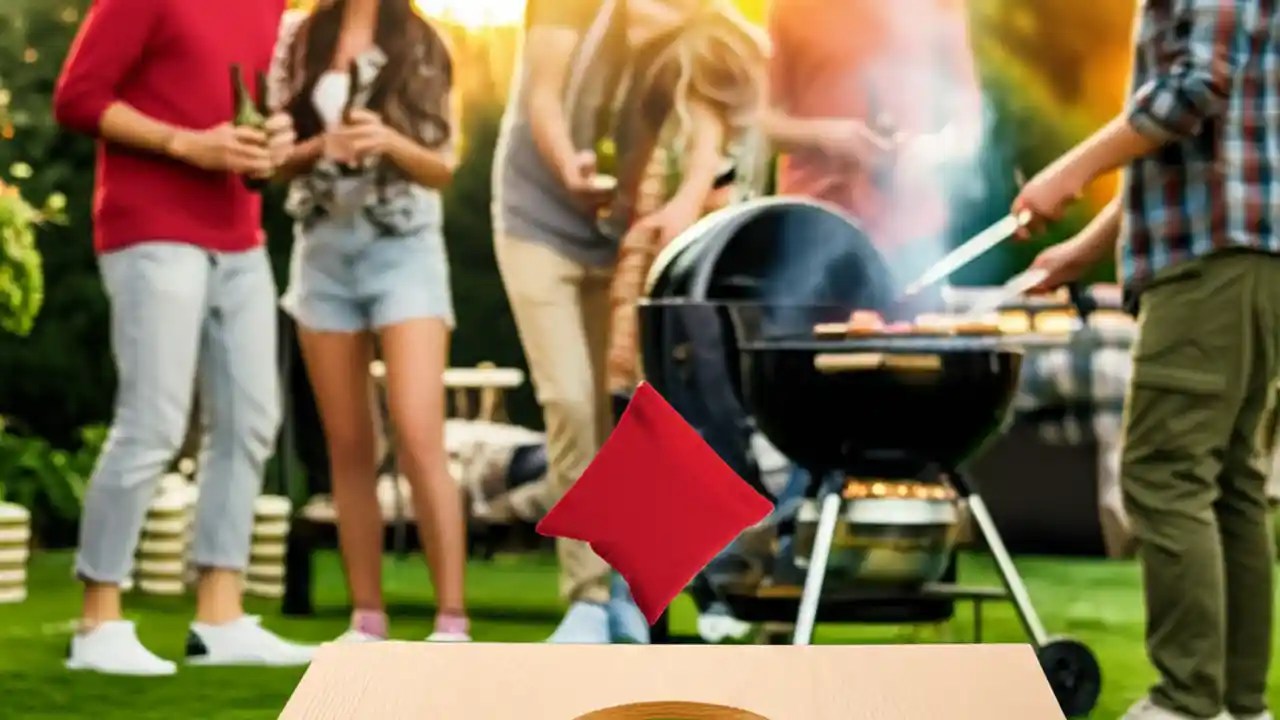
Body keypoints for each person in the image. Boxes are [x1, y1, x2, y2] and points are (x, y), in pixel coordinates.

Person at [1015, 2, 1279, 718]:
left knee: (1165, 471)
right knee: (1227, 481)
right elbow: (1197, 148)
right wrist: (1084, 250)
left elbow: (1194, 91)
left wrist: (1069, 169)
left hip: (1211, 266)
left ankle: (1187, 702)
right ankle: (1236, 704)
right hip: (1238, 257)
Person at [53, 0, 313, 675]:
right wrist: (184, 143)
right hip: (151, 230)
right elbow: (77, 98)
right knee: (153, 423)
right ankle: (98, 623)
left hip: (239, 234)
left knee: (253, 421)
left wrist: (270, 147)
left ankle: (220, 618)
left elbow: (242, 117)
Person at [493, 0, 761, 644]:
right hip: (539, 221)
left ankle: (631, 595)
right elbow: (545, 100)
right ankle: (588, 599)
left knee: (634, 418)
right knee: (569, 401)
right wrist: (571, 170)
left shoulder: (696, 33)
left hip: (619, 241)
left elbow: (704, 135)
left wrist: (687, 203)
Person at [269, 0, 469, 643]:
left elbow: (444, 165)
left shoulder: (426, 42)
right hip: (324, 254)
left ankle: (451, 620)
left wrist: (388, 141)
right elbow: (271, 159)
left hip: (403, 251)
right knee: (350, 444)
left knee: (417, 431)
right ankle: (367, 619)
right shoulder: (297, 39)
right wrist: (319, 146)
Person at [762, 0, 983, 289]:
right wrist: (827, 136)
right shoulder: (790, 7)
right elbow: (759, 122)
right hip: (812, 227)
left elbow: (968, 122)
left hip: (912, 234)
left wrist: (929, 153)